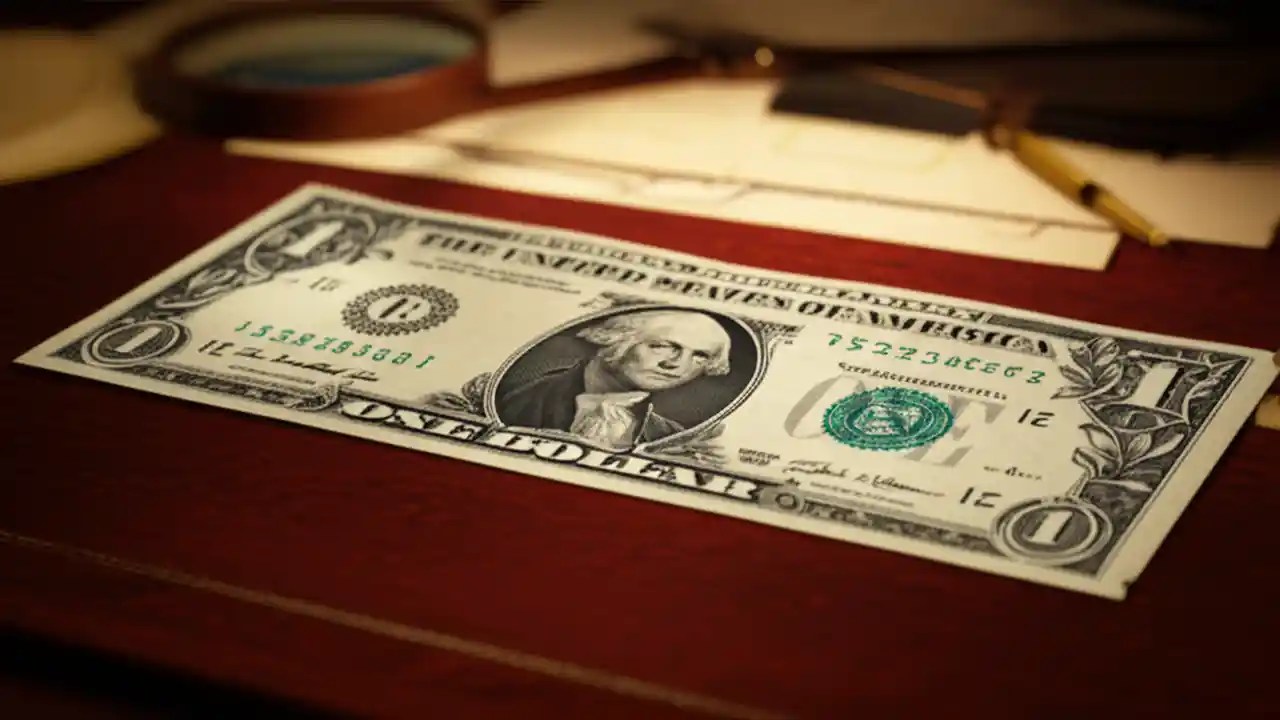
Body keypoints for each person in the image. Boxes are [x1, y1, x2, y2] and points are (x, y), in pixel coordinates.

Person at [498, 310, 732, 449]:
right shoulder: (520, 398)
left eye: (700, 356)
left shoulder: (671, 436)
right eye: (661, 346)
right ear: (616, 340)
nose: (677, 364)